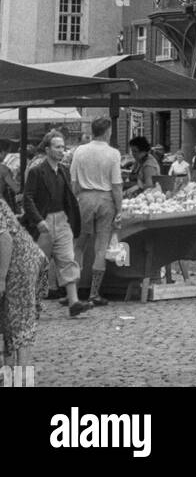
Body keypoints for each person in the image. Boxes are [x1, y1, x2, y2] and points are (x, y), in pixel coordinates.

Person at [23, 131, 90, 318]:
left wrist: (71, 219)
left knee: (68, 259)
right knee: (40, 264)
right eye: (57, 147)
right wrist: (38, 220)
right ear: (47, 149)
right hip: (44, 222)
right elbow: (27, 199)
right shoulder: (37, 171)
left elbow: (68, 196)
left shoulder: (63, 171)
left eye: (63, 147)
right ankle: (34, 303)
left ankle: (74, 302)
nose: (62, 150)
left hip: (62, 220)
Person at [70, 117, 123, 307]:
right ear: (107, 131)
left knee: (79, 245)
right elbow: (117, 185)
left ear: (92, 131)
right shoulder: (113, 154)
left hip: (84, 198)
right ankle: (94, 292)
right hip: (106, 198)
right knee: (101, 247)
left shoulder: (80, 151)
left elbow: (74, 183)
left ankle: (73, 291)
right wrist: (120, 208)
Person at [0, 196, 48, 367]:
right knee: (6, 325)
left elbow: (4, 239)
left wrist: (1, 279)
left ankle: (22, 380)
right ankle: (6, 377)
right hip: (15, 263)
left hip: (20, 265)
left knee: (21, 326)